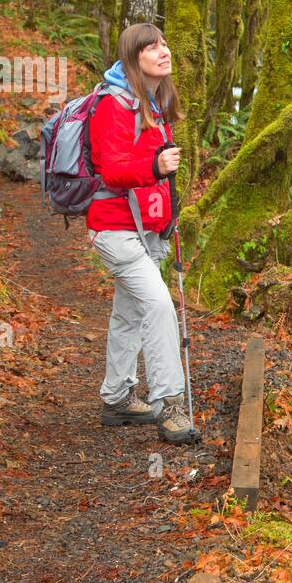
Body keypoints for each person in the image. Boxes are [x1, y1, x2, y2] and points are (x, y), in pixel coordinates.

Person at [86, 23, 195, 445]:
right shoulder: (116, 105)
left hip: (142, 228)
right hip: (114, 228)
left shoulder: (150, 100)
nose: (163, 51)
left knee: (129, 312)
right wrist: (156, 168)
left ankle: (116, 398)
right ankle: (169, 404)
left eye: (164, 43)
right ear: (135, 59)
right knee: (159, 306)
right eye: (152, 48)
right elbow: (112, 170)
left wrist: (166, 216)